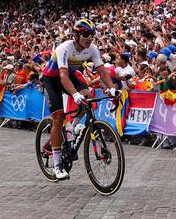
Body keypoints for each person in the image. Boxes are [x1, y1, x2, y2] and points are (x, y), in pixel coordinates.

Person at [40, 19, 118, 178]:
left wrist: (111, 88)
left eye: (92, 35)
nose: (90, 38)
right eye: (86, 35)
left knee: (88, 96)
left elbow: (102, 72)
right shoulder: (64, 48)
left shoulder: (92, 49)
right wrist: (74, 94)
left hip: (71, 74)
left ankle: (73, 128)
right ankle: (57, 166)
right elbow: (62, 76)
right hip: (53, 78)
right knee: (58, 117)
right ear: (76, 35)